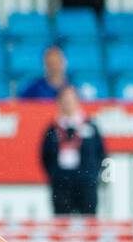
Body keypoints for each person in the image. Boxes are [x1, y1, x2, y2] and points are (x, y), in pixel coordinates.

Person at [40, 86, 107, 215]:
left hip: (86, 184)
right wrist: (55, 176)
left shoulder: (90, 126)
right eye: (65, 100)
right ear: (59, 103)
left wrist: (93, 176)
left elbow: (101, 153)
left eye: (71, 100)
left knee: (89, 225)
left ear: (77, 102)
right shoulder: (53, 129)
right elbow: (45, 156)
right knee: (62, 224)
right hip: (61, 185)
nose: (68, 104)